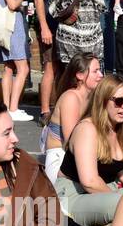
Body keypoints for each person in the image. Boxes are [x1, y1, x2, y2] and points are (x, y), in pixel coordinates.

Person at [55, 73, 123, 226]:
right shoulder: (87, 129)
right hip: (72, 196)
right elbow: (89, 181)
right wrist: (121, 197)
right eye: (119, 101)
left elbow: (111, 165)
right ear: (103, 100)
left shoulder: (121, 129)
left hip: (100, 193)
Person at [36, 0, 78, 122]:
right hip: (50, 26)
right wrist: (44, 26)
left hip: (64, 27)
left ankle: (60, 108)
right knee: (50, 67)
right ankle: (45, 110)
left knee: (63, 68)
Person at [43, 52, 103, 182]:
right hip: (60, 160)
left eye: (100, 70)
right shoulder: (71, 98)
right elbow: (70, 141)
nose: (101, 75)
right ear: (80, 75)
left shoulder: (92, 97)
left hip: (79, 155)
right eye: (96, 71)